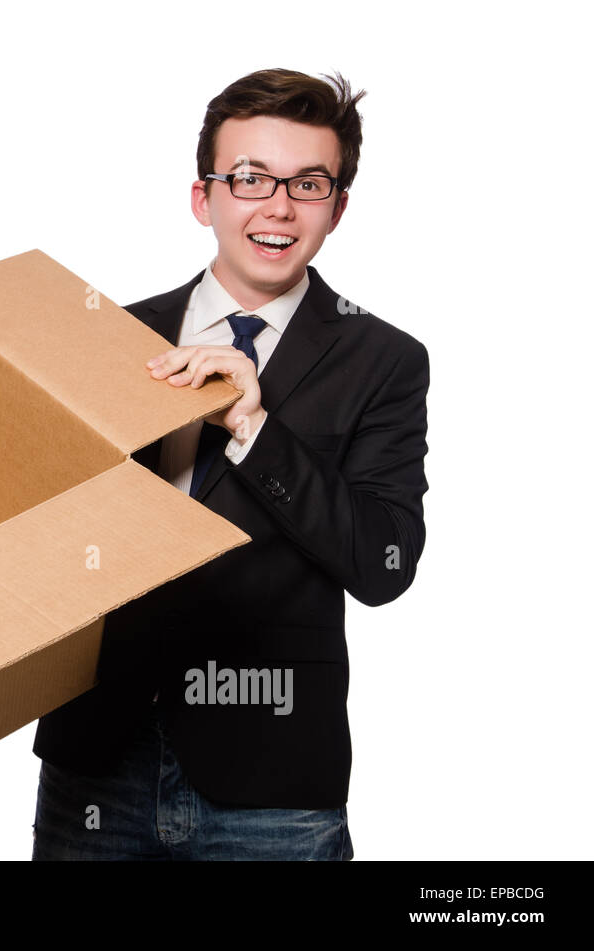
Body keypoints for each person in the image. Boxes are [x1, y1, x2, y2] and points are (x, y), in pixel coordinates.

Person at [31, 67, 430, 860]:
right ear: (203, 197)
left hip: (271, 786)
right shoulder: (110, 334)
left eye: (308, 183)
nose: (277, 206)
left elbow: (383, 563)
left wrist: (254, 423)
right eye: (249, 178)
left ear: (338, 207)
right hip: (97, 761)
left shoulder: (383, 360)